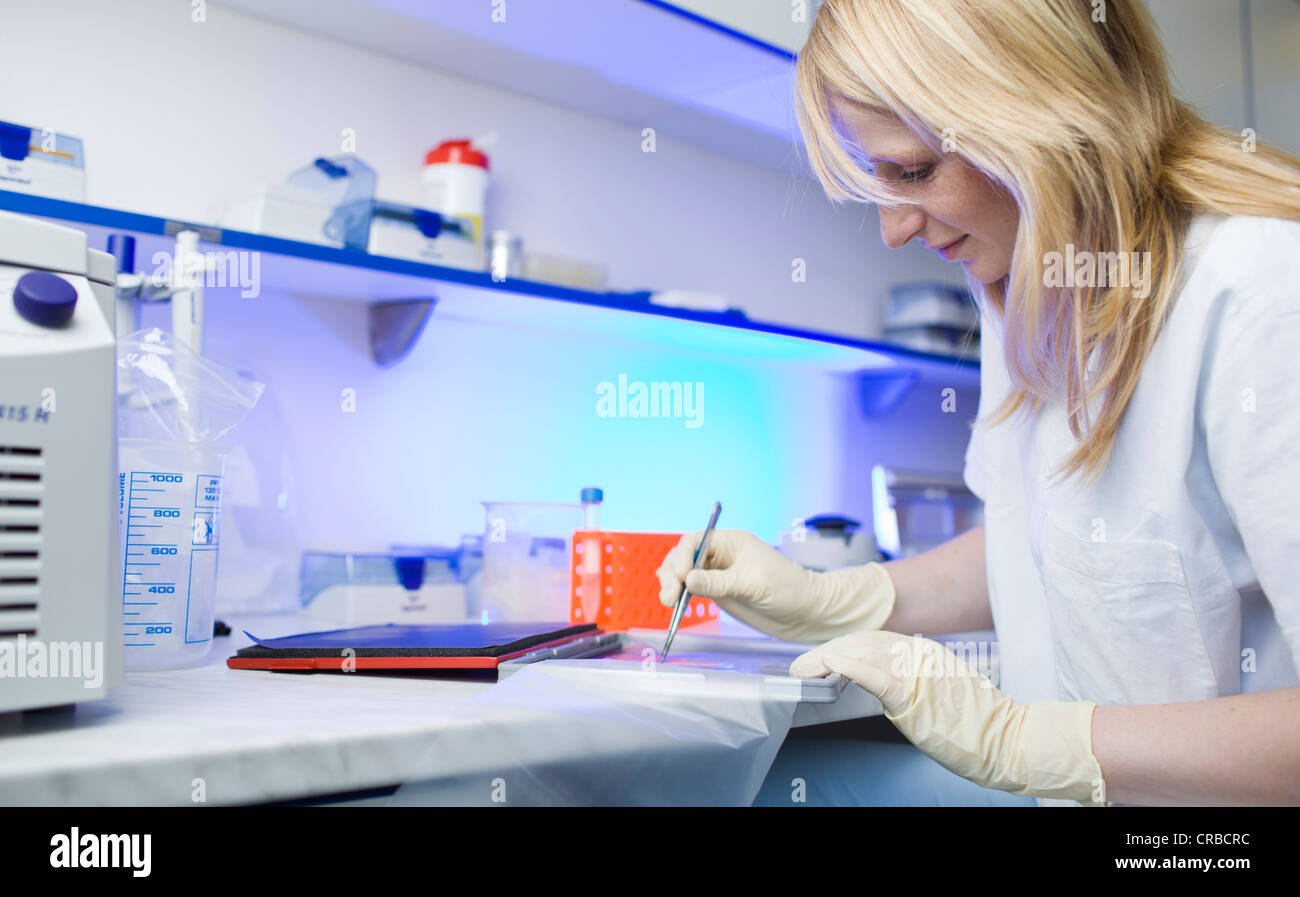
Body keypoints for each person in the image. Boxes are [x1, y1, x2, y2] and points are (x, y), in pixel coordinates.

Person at [656, 0, 1300, 806]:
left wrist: (1026, 742)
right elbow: (1038, 543)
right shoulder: (1024, 278)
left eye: (915, 172)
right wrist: (837, 599)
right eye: (874, 184)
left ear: (1044, 113)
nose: (892, 230)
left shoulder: (1261, 288)